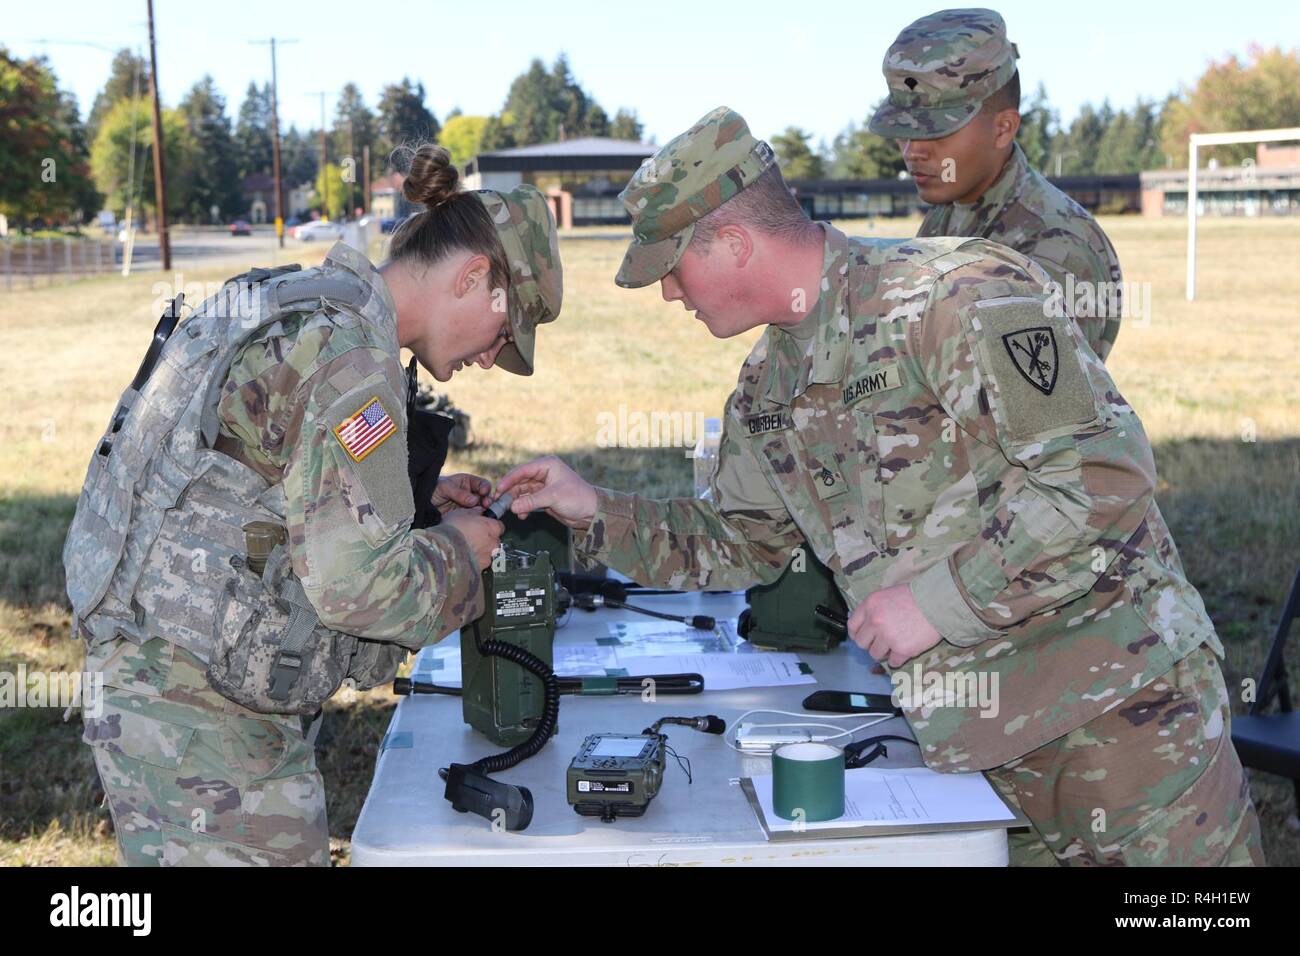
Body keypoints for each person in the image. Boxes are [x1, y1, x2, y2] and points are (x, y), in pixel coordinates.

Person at [495, 106, 1264, 866]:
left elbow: (1100, 475)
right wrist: (592, 507)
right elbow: (743, 543)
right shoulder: (769, 386)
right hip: (977, 750)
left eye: (672, 269)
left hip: (1121, 721)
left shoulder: (956, 295)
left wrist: (935, 603)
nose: (669, 294)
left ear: (732, 244)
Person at [64, 143, 563, 866]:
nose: (492, 358)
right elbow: (360, 588)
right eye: (503, 332)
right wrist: (461, 552)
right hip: (200, 721)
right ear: (473, 276)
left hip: (160, 679)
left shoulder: (308, 305)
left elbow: (267, 487)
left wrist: (421, 507)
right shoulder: (354, 358)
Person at [868, 9, 1125, 362]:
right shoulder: (951, 209)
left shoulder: (1056, 246)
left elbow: (1035, 404)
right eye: (903, 131)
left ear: (1003, 128)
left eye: (935, 130)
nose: (912, 151)